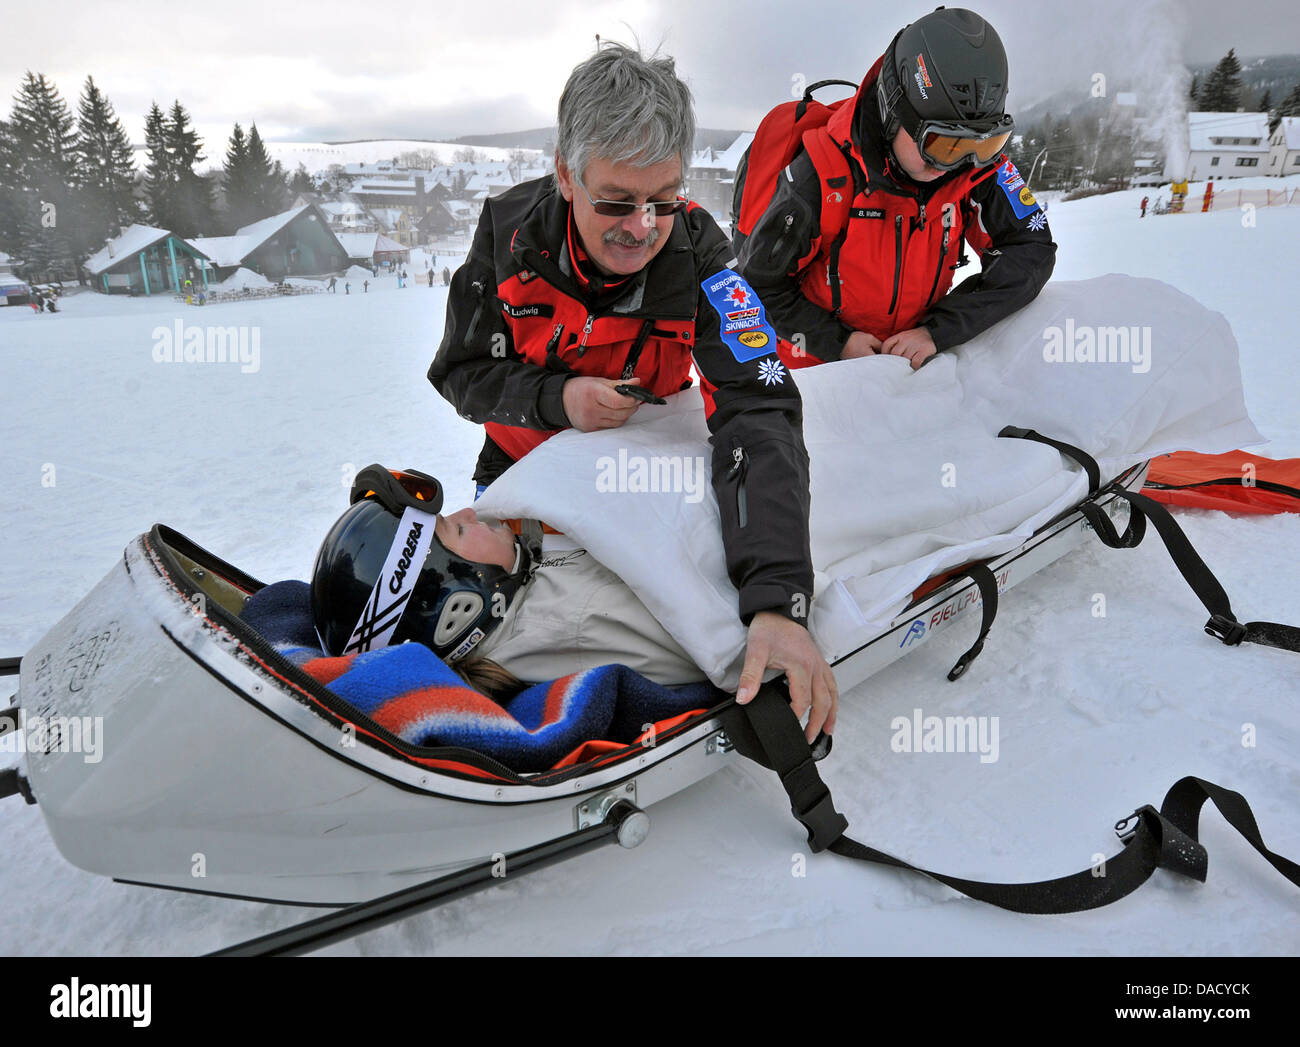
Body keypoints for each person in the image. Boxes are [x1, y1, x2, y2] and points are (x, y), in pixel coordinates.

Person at [427, 43, 835, 738]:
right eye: (616, 202)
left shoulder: (705, 260)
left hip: (637, 486)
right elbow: (462, 374)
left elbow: (759, 406)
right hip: (522, 479)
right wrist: (558, 400)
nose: (642, 227)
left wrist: (778, 600)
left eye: (664, 200)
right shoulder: (505, 236)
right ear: (565, 173)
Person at [736, 7, 1055, 371]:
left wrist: (938, 330)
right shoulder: (821, 175)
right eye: (941, 144)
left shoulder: (974, 166)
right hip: (819, 376)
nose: (954, 165)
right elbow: (759, 287)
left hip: (911, 367)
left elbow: (1032, 248)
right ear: (893, 112)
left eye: (986, 145)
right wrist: (837, 343)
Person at [311, 466, 701, 690]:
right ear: (458, 609)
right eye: (458, 531)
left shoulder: (519, 590)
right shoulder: (580, 618)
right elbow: (708, 632)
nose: (469, 513)